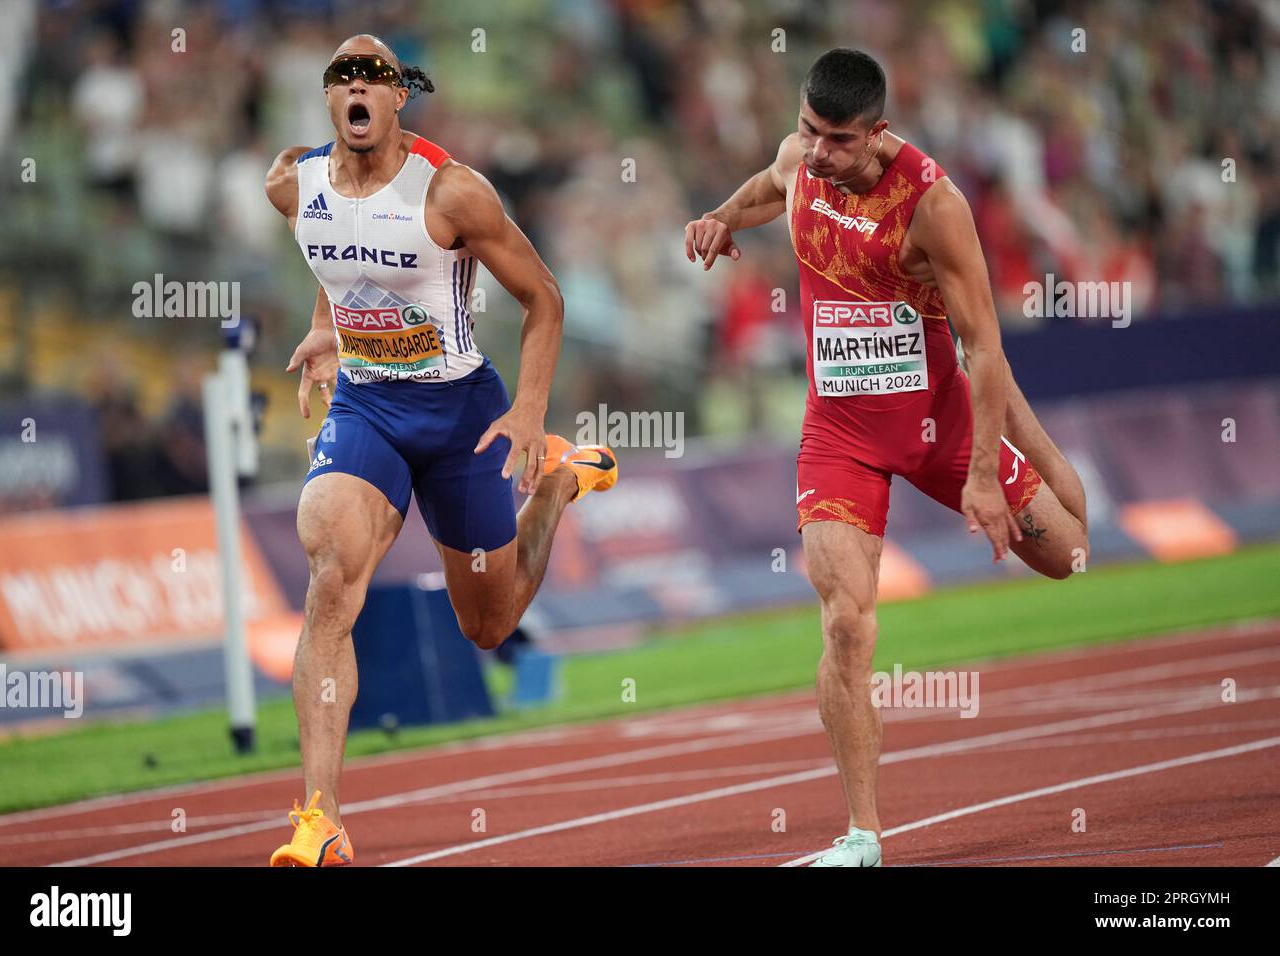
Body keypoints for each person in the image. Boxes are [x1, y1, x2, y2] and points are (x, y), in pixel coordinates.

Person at [684, 48, 1088, 867]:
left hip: (940, 424)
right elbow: (771, 185)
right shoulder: (804, 158)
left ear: (879, 134)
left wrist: (985, 469)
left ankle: (1037, 452)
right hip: (838, 436)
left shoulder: (935, 205)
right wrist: (722, 215)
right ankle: (863, 835)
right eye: (809, 131)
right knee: (844, 621)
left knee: (1072, 554)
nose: (819, 154)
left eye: (837, 141)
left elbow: (984, 349)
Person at [263, 34, 617, 867]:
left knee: (486, 625)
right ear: (328, 101)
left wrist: (530, 412)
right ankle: (319, 819)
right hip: (368, 409)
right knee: (330, 580)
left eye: (374, 78)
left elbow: (545, 298)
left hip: (463, 416)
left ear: (398, 99)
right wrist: (325, 328)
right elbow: (337, 256)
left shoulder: (453, 192)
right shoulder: (292, 183)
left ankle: (558, 488)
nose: (357, 88)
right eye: (342, 77)